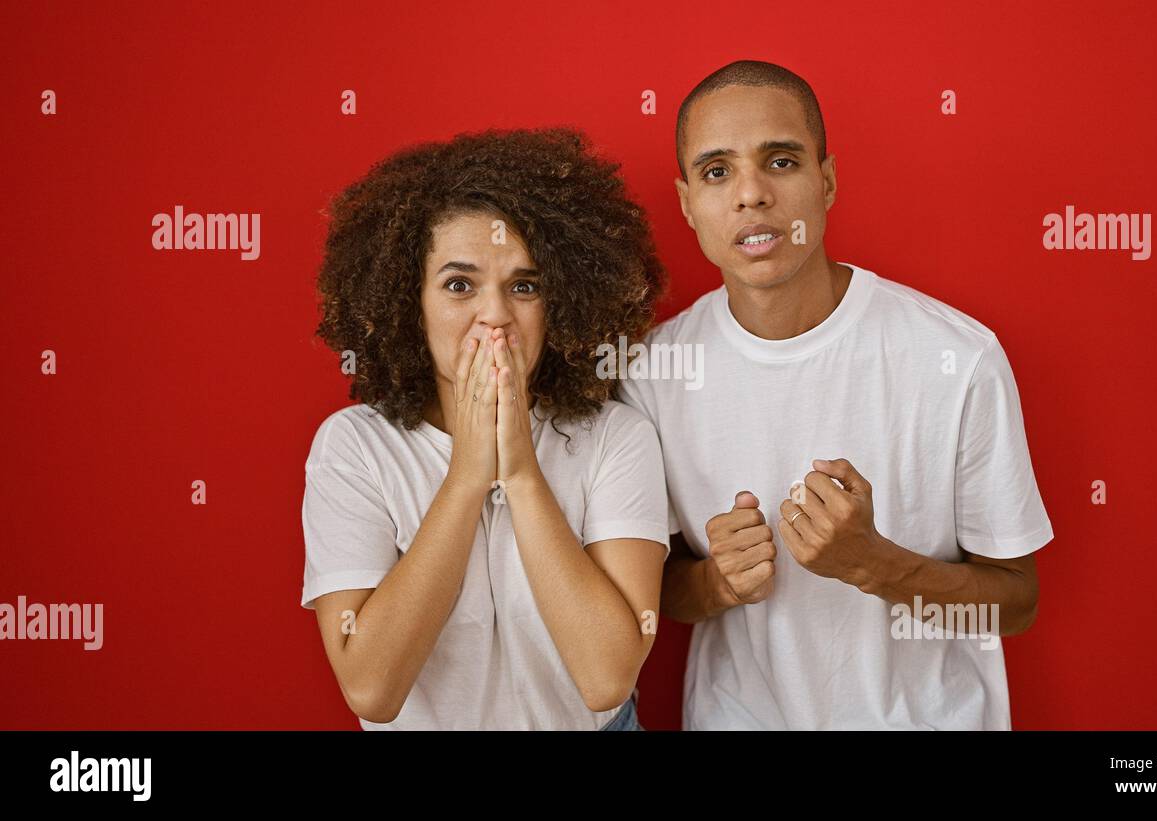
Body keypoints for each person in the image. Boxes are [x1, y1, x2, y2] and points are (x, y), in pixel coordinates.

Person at [617, 60, 1055, 730]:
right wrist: (717, 581)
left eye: (782, 161)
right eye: (717, 171)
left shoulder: (959, 359)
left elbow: (1016, 601)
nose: (751, 194)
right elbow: (657, 587)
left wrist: (876, 564)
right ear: (686, 204)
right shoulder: (650, 371)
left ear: (826, 181)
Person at [301, 128, 670, 730]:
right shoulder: (353, 446)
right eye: (459, 284)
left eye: (524, 286)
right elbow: (371, 689)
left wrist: (521, 473)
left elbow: (607, 679)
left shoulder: (617, 437)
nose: (495, 315)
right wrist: (468, 475)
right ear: (408, 301)